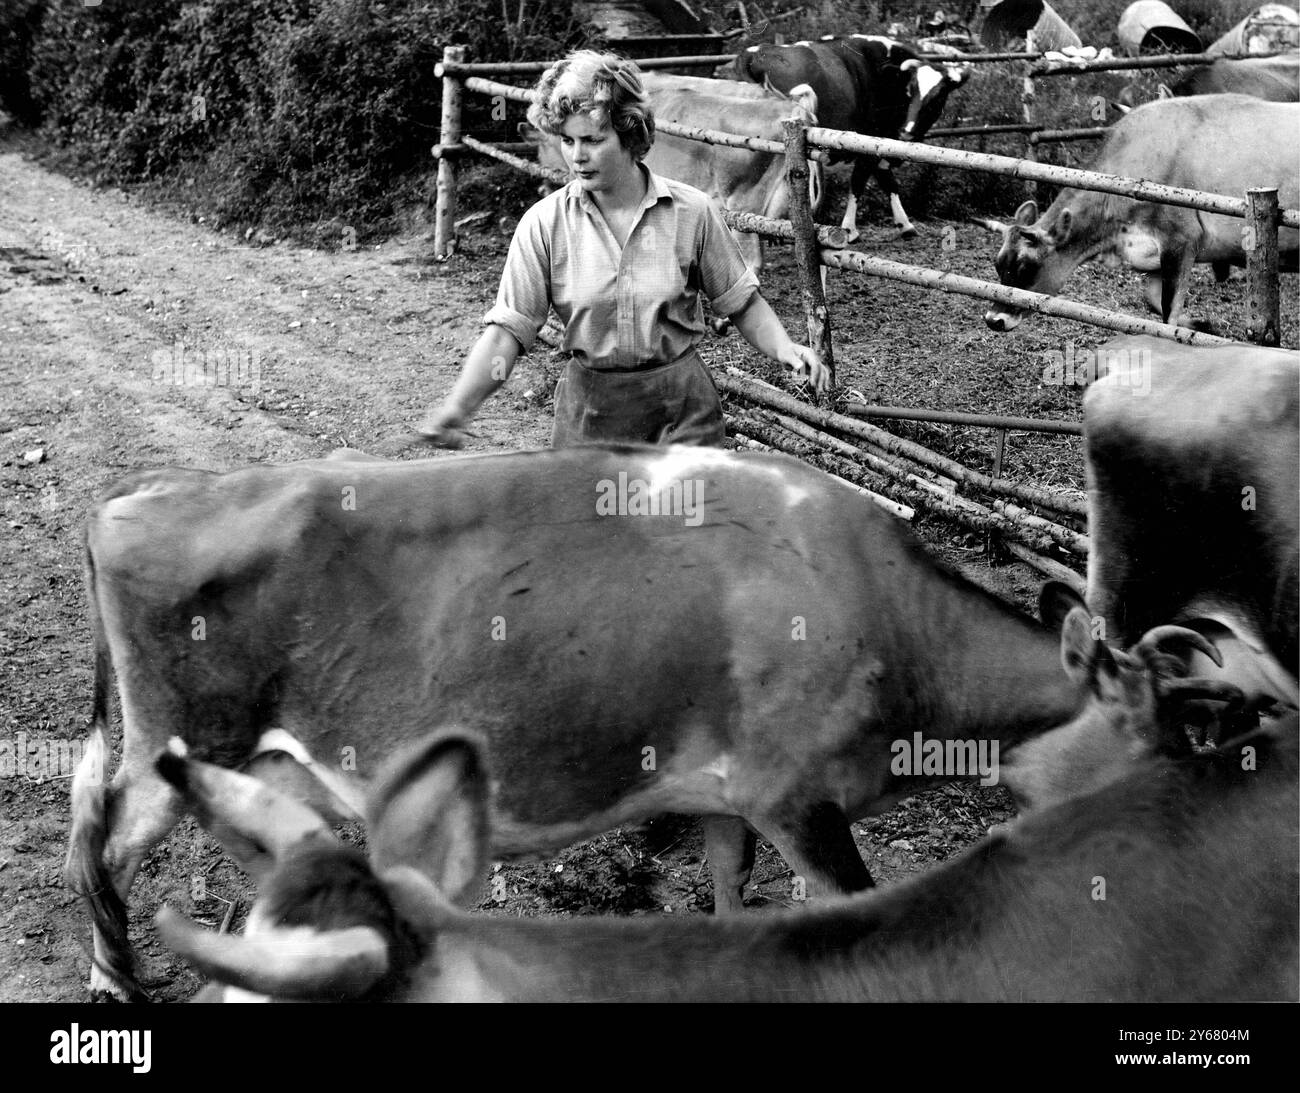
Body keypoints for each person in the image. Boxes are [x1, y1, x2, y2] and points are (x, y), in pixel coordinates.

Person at [417, 49, 827, 450]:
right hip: (591, 415)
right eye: (567, 140)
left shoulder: (691, 212)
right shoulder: (543, 225)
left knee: (685, 516)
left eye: (593, 139)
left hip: (681, 415)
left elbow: (741, 302)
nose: (577, 156)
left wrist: (784, 347)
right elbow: (508, 332)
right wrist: (460, 406)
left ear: (630, 133)